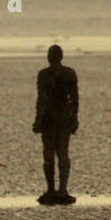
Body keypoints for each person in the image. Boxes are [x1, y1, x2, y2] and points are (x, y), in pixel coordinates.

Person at [32, 44, 78, 205]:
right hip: (64, 117)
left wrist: (38, 120)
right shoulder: (69, 73)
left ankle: (51, 189)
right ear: (61, 56)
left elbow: (42, 99)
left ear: (49, 57)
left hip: (49, 119)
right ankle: (63, 189)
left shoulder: (44, 75)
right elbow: (75, 99)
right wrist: (74, 118)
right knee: (63, 153)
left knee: (49, 154)